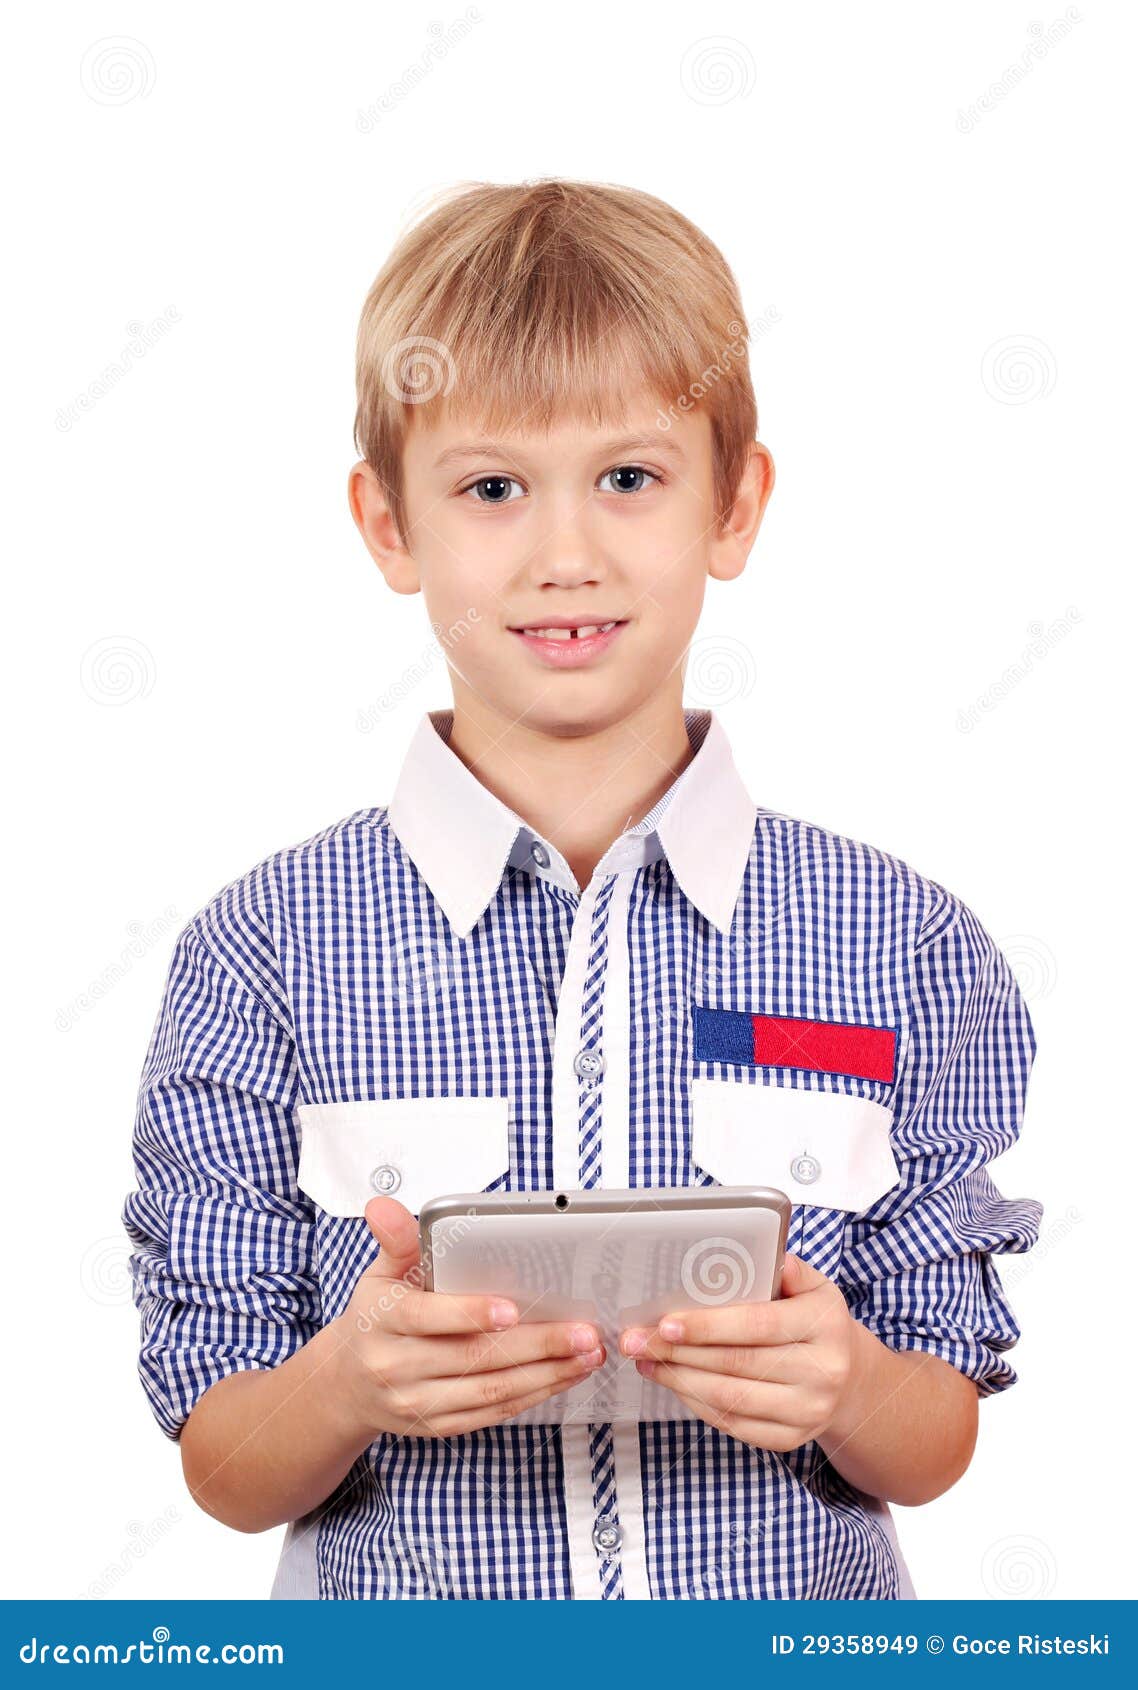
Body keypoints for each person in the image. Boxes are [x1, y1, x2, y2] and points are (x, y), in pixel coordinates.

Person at [123, 178, 1043, 1600]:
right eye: (492, 487)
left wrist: (846, 1380)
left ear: (732, 505)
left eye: (628, 477)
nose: (565, 554)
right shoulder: (262, 951)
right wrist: (346, 1382)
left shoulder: (904, 945)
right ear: (388, 525)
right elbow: (225, 1460)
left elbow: (933, 1436)